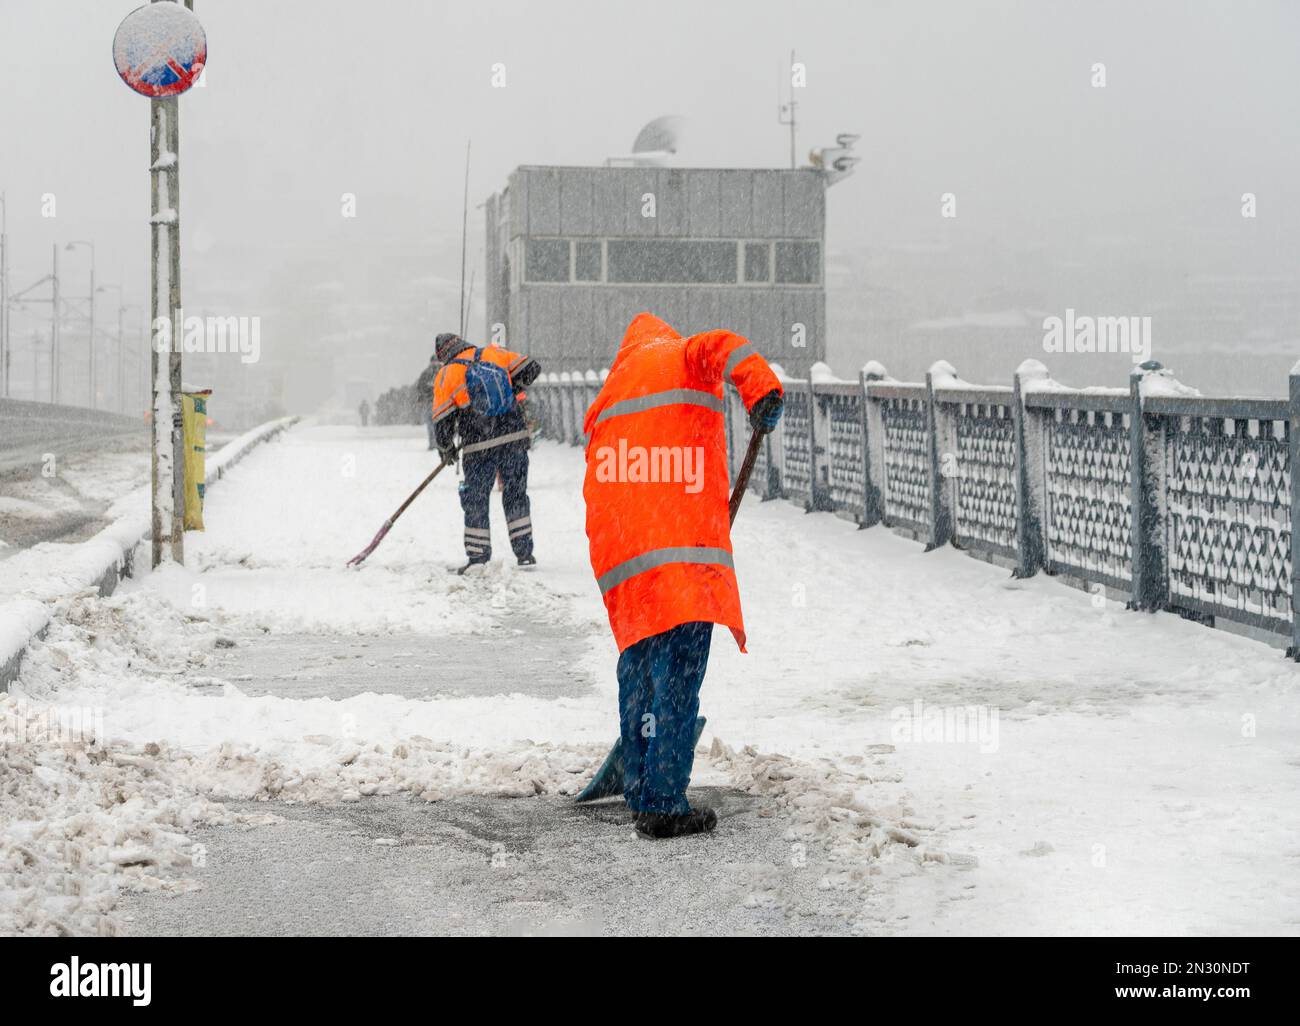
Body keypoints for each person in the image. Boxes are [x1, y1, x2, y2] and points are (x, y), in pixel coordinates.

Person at [582, 313, 784, 839]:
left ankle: (639, 783)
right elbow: (728, 345)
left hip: (625, 558)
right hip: (682, 555)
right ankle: (663, 803)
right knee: (676, 677)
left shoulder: (611, 391)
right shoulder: (679, 354)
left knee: (639, 672)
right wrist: (761, 391)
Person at [431, 332, 542, 572]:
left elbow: (442, 421)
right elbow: (532, 368)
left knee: (476, 498)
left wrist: (446, 449)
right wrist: (511, 390)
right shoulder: (494, 353)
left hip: (478, 445)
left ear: (443, 355)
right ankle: (524, 554)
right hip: (514, 437)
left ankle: (478, 557)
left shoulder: (446, 374)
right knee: (515, 494)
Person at [416, 355, 439, 449]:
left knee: (430, 424)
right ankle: (437, 443)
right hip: (439, 402)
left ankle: (432, 443)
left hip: (429, 402)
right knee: (437, 424)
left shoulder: (425, 373)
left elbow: (419, 387)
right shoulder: (442, 370)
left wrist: (421, 398)